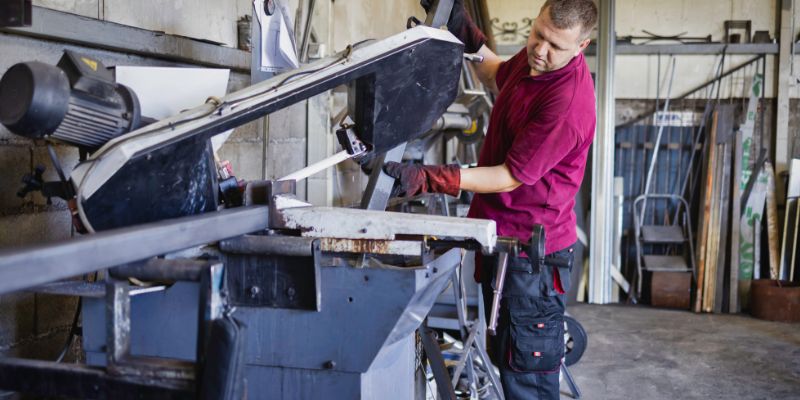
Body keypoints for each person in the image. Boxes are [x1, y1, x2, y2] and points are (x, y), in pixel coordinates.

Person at [384, 0, 598, 398]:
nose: (539, 49)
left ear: (581, 47)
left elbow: (508, 176)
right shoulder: (535, 62)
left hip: (531, 259)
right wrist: (467, 34)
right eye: (538, 34)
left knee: (527, 378)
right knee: (507, 358)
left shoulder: (566, 103)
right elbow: (498, 72)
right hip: (504, 241)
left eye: (554, 45)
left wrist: (434, 178)